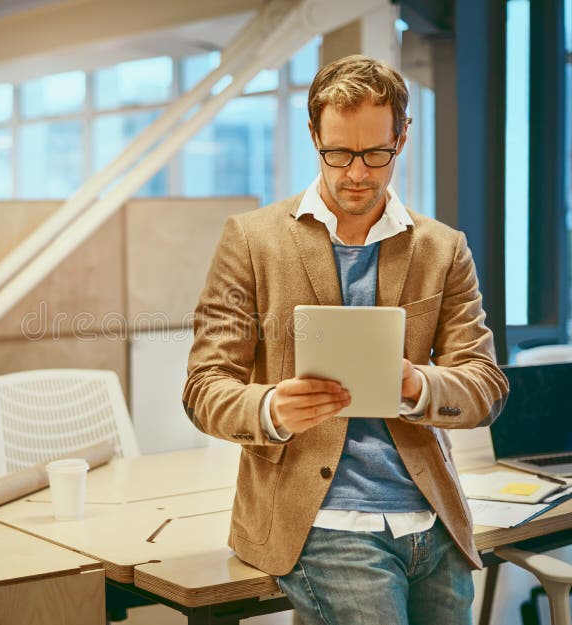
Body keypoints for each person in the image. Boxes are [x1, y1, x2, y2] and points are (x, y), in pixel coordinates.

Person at [182, 54, 509, 625]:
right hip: (324, 521)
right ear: (314, 135)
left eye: (375, 154)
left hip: (433, 520)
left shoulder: (443, 248)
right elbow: (204, 387)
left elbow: (486, 387)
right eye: (338, 153)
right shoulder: (253, 241)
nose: (356, 173)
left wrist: (416, 384)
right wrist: (271, 407)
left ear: (402, 138)